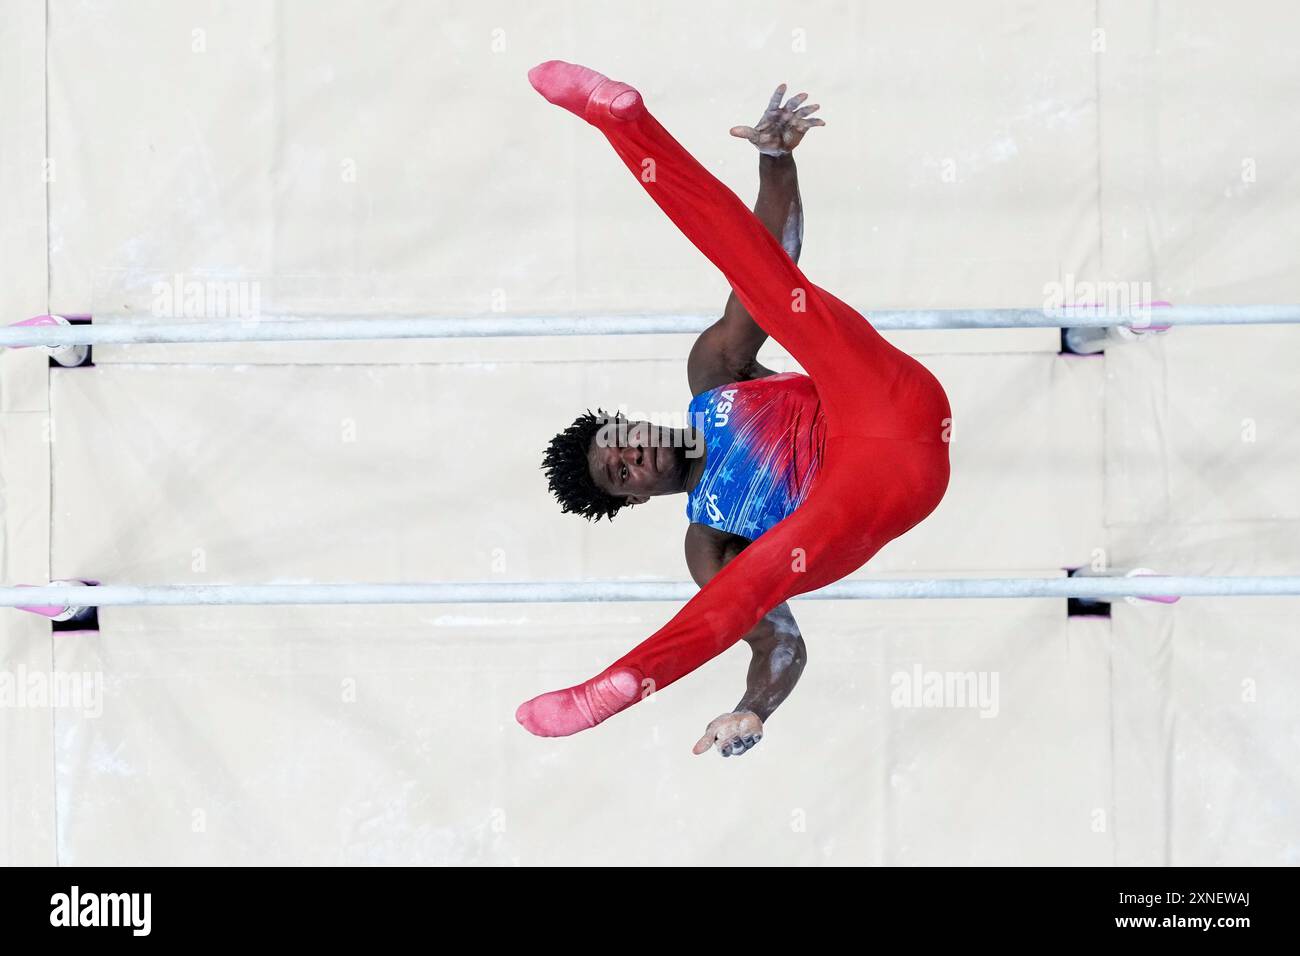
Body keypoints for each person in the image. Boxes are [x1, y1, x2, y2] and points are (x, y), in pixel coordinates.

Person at [526, 61, 952, 757]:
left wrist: (775, 164)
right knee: (738, 590)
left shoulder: (714, 376)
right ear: (635, 499)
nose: (632, 454)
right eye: (622, 473)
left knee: (764, 285)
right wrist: (753, 709)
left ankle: (624, 122)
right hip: (870, 494)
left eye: (621, 441)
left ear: (631, 420)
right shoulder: (709, 540)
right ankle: (624, 683)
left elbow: (770, 272)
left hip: (881, 396)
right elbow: (780, 642)